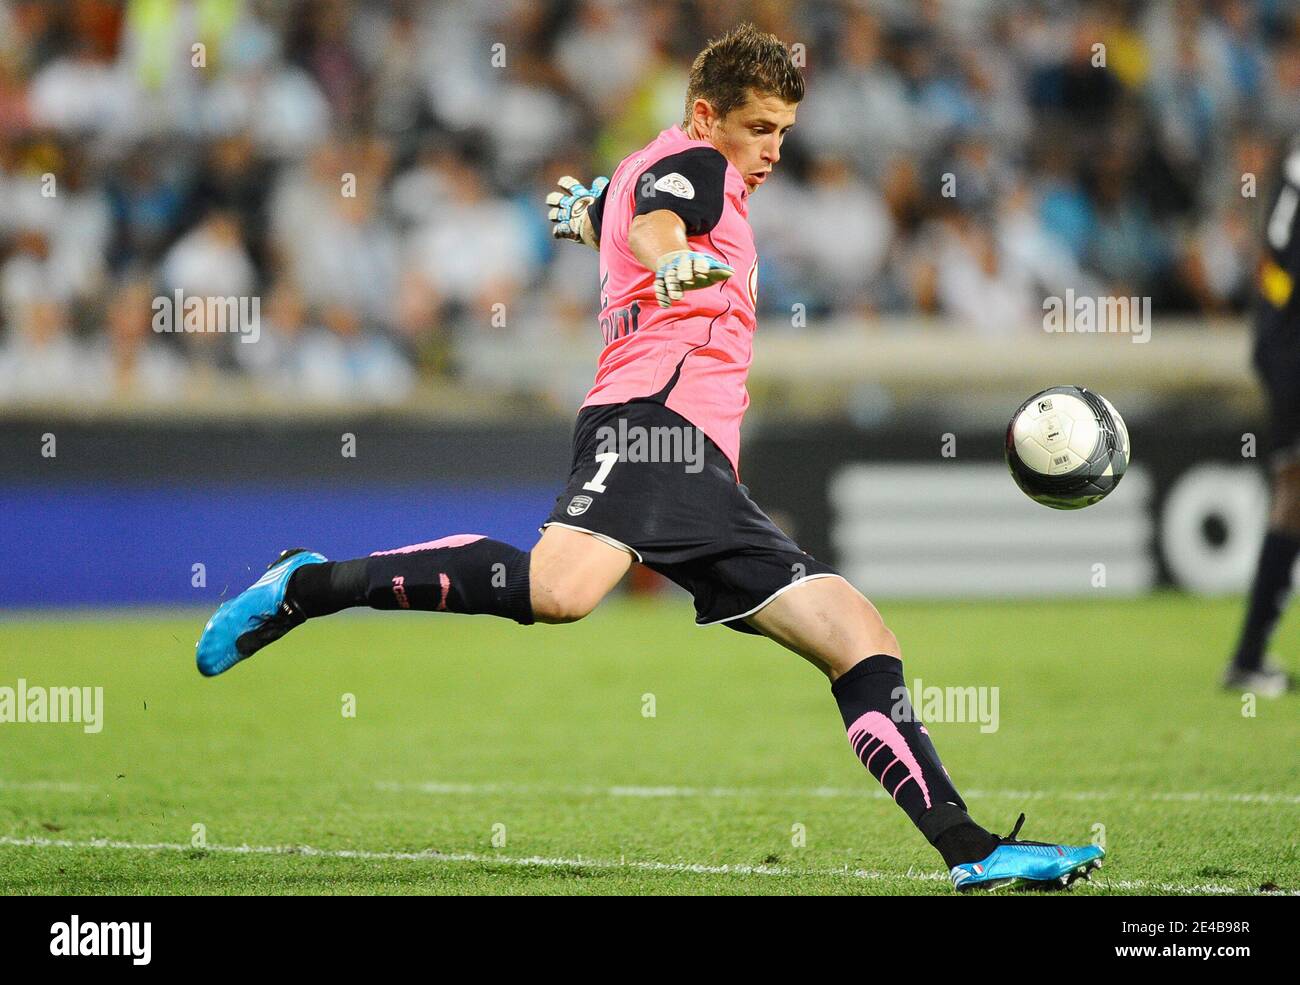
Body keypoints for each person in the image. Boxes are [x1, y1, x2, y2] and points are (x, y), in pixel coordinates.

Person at [197, 23, 1102, 892]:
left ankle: (968, 848)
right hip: (651, 426)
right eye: (759, 128)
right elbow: (663, 222)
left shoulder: (659, 166)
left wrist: (599, 220)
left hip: (700, 462)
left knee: (856, 634)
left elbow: (635, 210)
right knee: (561, 591)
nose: (773, 149)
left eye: (784, 132)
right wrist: (662, 254)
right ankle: (305, 585)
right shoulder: (697, 167)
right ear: (707, 115)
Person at [1223, 136, 1300, 697]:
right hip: (1291, 344)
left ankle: (1249, 657)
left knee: (1293, 496)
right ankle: (1248, 658)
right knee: (1293, 493)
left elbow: (1274, 264)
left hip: (1281, 340)